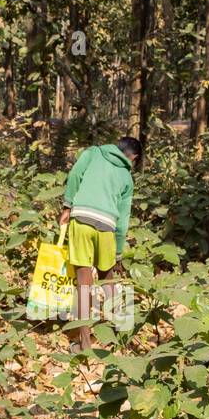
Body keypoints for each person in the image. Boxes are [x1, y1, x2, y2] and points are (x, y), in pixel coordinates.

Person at [58, 136, 142, 351]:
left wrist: (68, 205)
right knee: (108, 279)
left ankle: (84, 343)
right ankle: (119, 336)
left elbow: (75, 174)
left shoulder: (93, 153)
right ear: (134, 158)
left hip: (82, 220)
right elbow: (123, 220)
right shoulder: (126, 177)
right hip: (107, 227)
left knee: (84, 283)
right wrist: (118, 253)